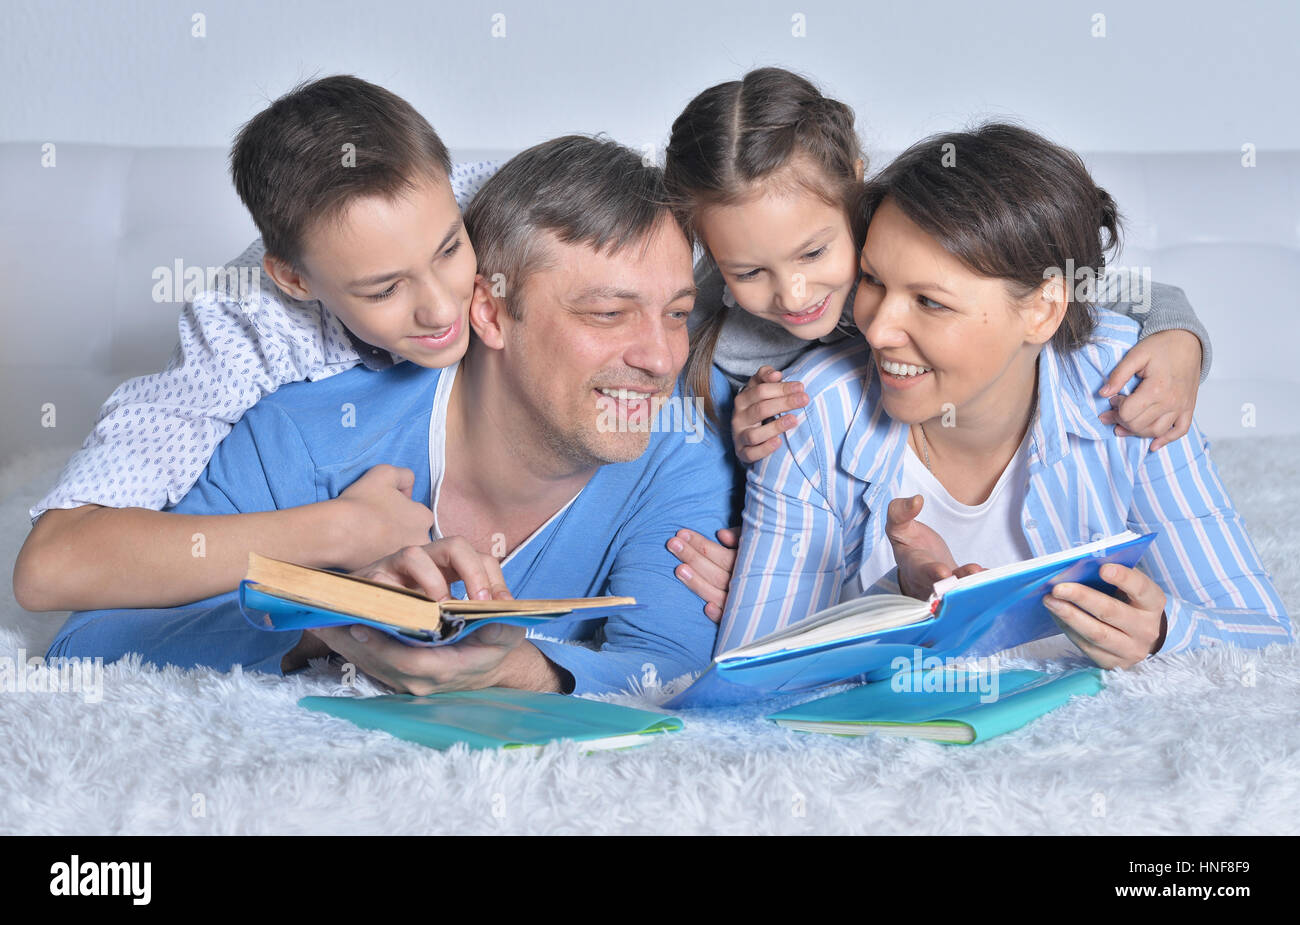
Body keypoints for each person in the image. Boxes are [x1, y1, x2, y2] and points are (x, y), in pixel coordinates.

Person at [46, 135, 738, 697]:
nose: (658, 357)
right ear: (490, 312)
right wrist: (329, 619)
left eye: (677, 313)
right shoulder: (307, 433)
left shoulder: (682, 452)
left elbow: (670, 671)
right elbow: (90, 641)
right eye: (608, 312)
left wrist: (508, 668)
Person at [716, 122, 1290, 668]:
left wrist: (1163, 635)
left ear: (1042, 310)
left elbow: (1262, 638)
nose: (877, 328)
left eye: (930, 302)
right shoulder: (805, 413)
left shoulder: (1136, 390)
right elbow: (754, 667)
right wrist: (902, 604)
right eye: (873, 281)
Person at [662, 69, 1214, 617]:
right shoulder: (711, 331)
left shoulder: (912, 240)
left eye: (812, 254)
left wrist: (1178, 334)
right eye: (751, 271)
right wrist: (741, 449)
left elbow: (1081, 281)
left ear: (856, 190)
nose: (793, 293)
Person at [14, 75, 499, 613]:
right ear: (294, 280)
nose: (440, 307)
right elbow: (51, 566)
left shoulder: (506, 203)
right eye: (384, 288)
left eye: (451, 249)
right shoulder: (244, 323)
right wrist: (341, 529)